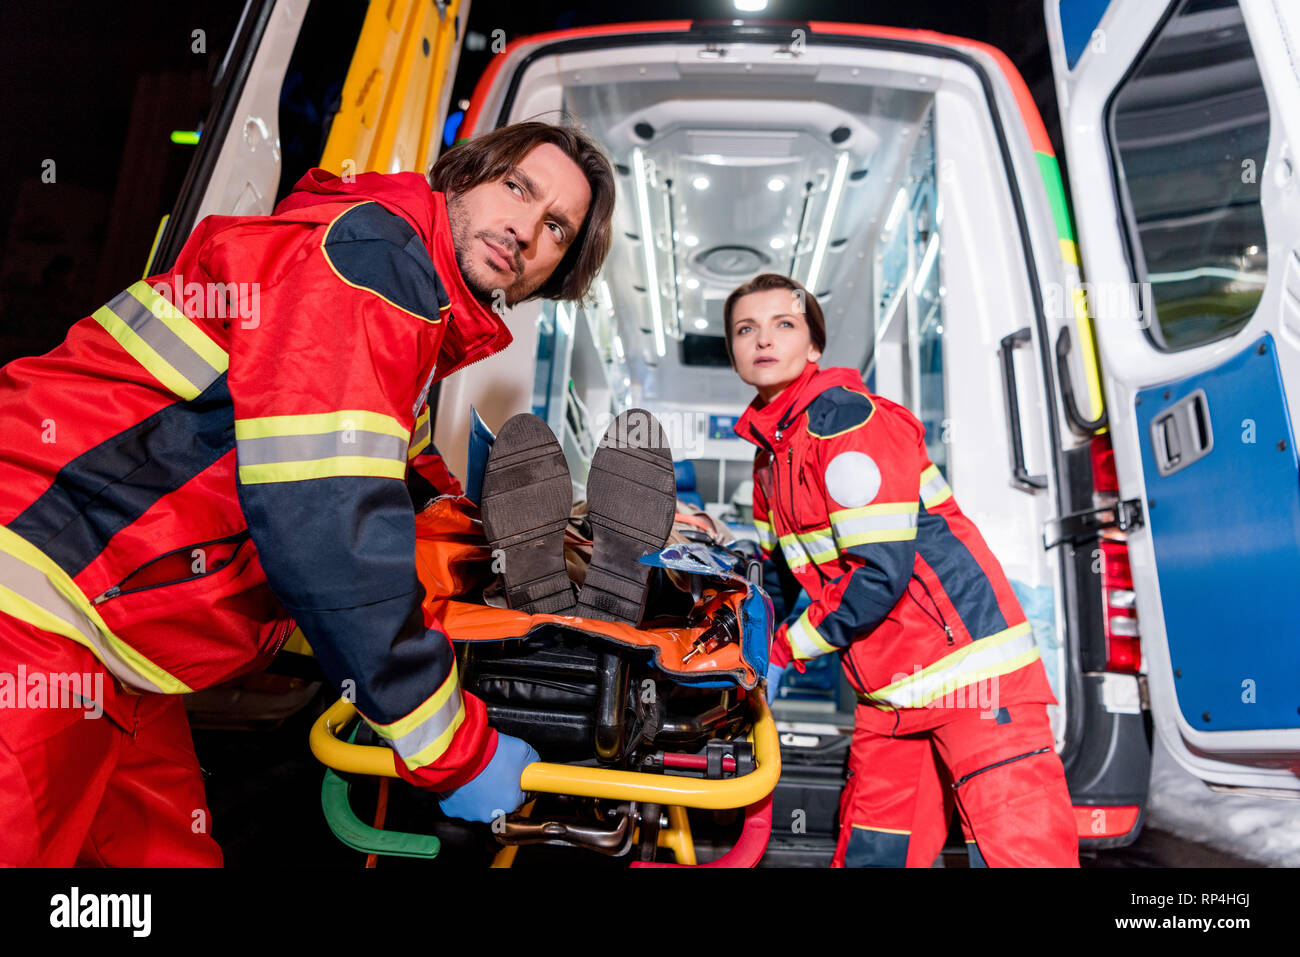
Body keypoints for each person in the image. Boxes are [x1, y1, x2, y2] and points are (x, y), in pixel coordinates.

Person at [0, 121, 615, 866]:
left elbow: (394, 468)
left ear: (558, 270)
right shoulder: (374, 265)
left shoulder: (411, 305)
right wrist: (456, 748)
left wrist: (515, 537)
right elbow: (331, 523)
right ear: (462, 175)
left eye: (556, 227)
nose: (524, 228)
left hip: (117, 642)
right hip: (36, 595)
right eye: (516, 187)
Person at [725, 273, 1078, 868]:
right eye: (745, 329)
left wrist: (785, 653)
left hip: (971, 681)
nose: (763, 339)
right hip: (888, 693)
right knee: (873, 855)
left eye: (783, 324)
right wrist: (745, 644)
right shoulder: (770, 462)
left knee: (1023, 857)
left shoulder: (848, 424)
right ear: (733, 351)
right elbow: (780, 578)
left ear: (814, 347)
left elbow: (879, 575)